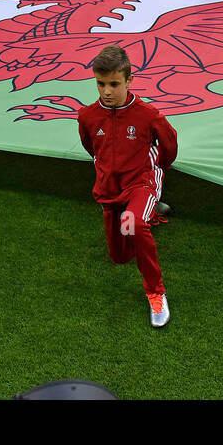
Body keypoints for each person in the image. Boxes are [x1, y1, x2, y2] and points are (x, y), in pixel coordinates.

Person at [76, 44, 178, 329]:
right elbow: (91, 146)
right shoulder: (87, 116)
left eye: (114, 84)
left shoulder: (149, 115)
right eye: (101, 84)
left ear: (129, 81)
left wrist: (157, 168)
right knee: (119, 257)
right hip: (109, 187)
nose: (107, 91)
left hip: (141, 182)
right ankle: (148, 215)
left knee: (133, 223)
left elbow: (169, 147)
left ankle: (156, 294)